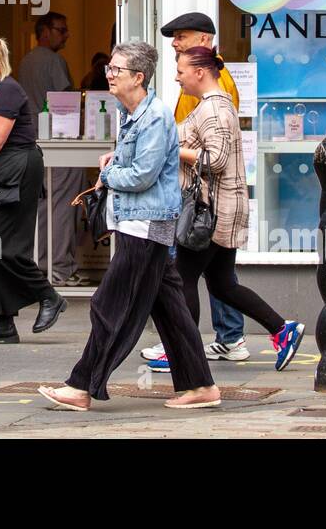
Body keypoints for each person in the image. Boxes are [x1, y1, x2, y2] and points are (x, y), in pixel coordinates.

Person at [38, 40, 220, 411]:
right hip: (139, 223)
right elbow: (137, 162)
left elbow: (142, 175)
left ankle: (81, 385)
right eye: (109, 68)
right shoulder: (132, 113)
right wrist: (115, 157)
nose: (109, 74)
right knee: (170, 311)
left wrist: (109, 172)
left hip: (146, 225)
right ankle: (200, 386)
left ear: (138, 77)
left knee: (110, 305)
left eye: (116, 70)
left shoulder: (153, 117)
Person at [158, 45, 306, 373]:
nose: (177, 77)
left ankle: (181, 350)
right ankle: (283, 330)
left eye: (181, 71)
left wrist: (174, 149)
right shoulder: (211, 107)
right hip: (221, 209)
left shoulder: (213, 110)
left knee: (182, 277)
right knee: (223, 283)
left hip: (210, 212)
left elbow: (216, 160)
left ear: (199, 72)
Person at [141, 10, 250, 367]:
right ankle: (234, 336)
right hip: (204, 195)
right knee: (218, 277)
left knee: (185, 274)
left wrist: (169, 149)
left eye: (182, 36)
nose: (175, 43)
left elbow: (210, 151)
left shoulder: (211, 89)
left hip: (204, 198)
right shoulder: (199, 82)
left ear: (204, 42)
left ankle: (189, 344)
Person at [0, 33, 67, 344]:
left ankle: (49, 297)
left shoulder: (8, 90)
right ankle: (3, 323)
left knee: (2, 247)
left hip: (14, 171)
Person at [18, 11, 86, 286]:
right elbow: (66, 101)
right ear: (44, 31)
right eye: (61, 29)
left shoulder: (25, 62)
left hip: (34, 143)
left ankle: (43, 264)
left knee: (44, 206)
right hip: (59, 141)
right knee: (63, 205)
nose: (67, 34)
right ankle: (60, 267)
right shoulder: (55, 61)